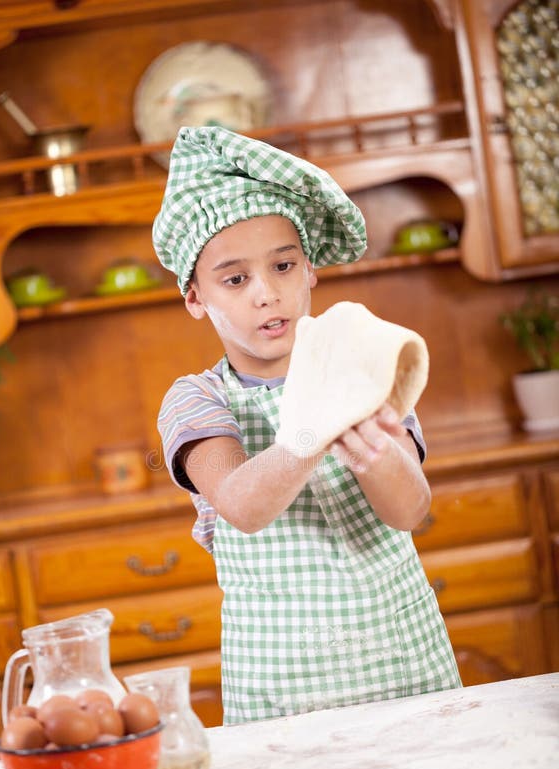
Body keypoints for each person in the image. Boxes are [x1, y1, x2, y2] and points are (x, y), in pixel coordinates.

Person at [153, 125, 461, 725]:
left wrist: (373, 445)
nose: (267, 294)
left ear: (310, 271)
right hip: (284, 683)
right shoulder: (195, 400)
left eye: (284, 265)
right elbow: (242, 505)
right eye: (235, 279)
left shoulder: (367, 369)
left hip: (403, 660)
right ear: (196, 297)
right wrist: (312, 427)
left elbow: (407, 512)